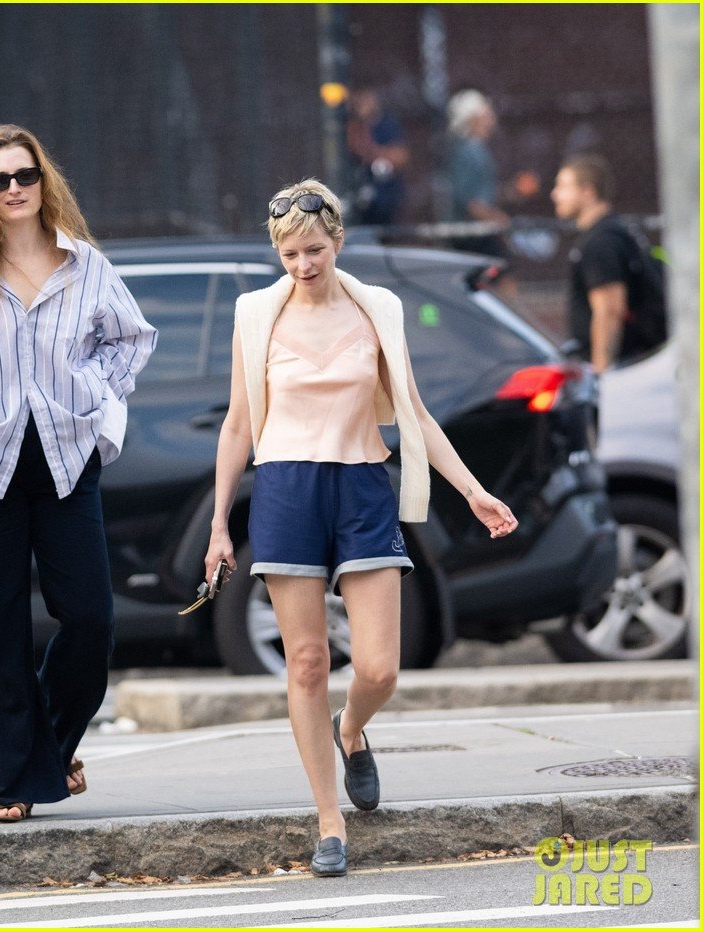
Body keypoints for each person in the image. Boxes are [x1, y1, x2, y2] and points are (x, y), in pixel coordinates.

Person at [203, 180, 517, 876]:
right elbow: (235, 425)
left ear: (338, 241)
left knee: (379, 666)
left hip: (362, 483)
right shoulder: (255, 314)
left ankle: (351, 728)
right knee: (307, 662)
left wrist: (472, 491)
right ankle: (327, 820)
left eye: (314, 249)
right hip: (286, 487)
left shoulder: (378, 309)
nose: (303, 264)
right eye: (289, 253)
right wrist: (221, 523)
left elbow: (415, 414)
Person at [0, 125, 156, 823]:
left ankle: (45, 745)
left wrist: (98, 402)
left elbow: (133, 340)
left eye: (26, 175)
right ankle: (10, 780)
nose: (15, 188)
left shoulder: (87, 267)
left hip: (65, 452)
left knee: (90, 617)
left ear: (44, 182)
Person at [550, 153, 667, 372]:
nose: (555, 194)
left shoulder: (600, 242)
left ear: (588, 192)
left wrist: (601, 376)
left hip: (625, 368)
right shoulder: (612, 231)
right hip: (635, 362)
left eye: (563, 187)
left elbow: (609, 310)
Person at [446, 89, 508, 257]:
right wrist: (498, 219)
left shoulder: (478, 150)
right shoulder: (467, 152)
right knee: (503, 278)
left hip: (480, 231)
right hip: (470, 234)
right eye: (486, 115)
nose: (491, 119)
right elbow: (470, 203)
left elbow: (483, 192)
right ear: (473, 119)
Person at [347, 87, 408, 226]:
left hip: (385, 192)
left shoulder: (386, 125)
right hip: (359, 190)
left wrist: (375, 152)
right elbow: (355, 147)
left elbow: (401, 156)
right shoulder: (352, 125)